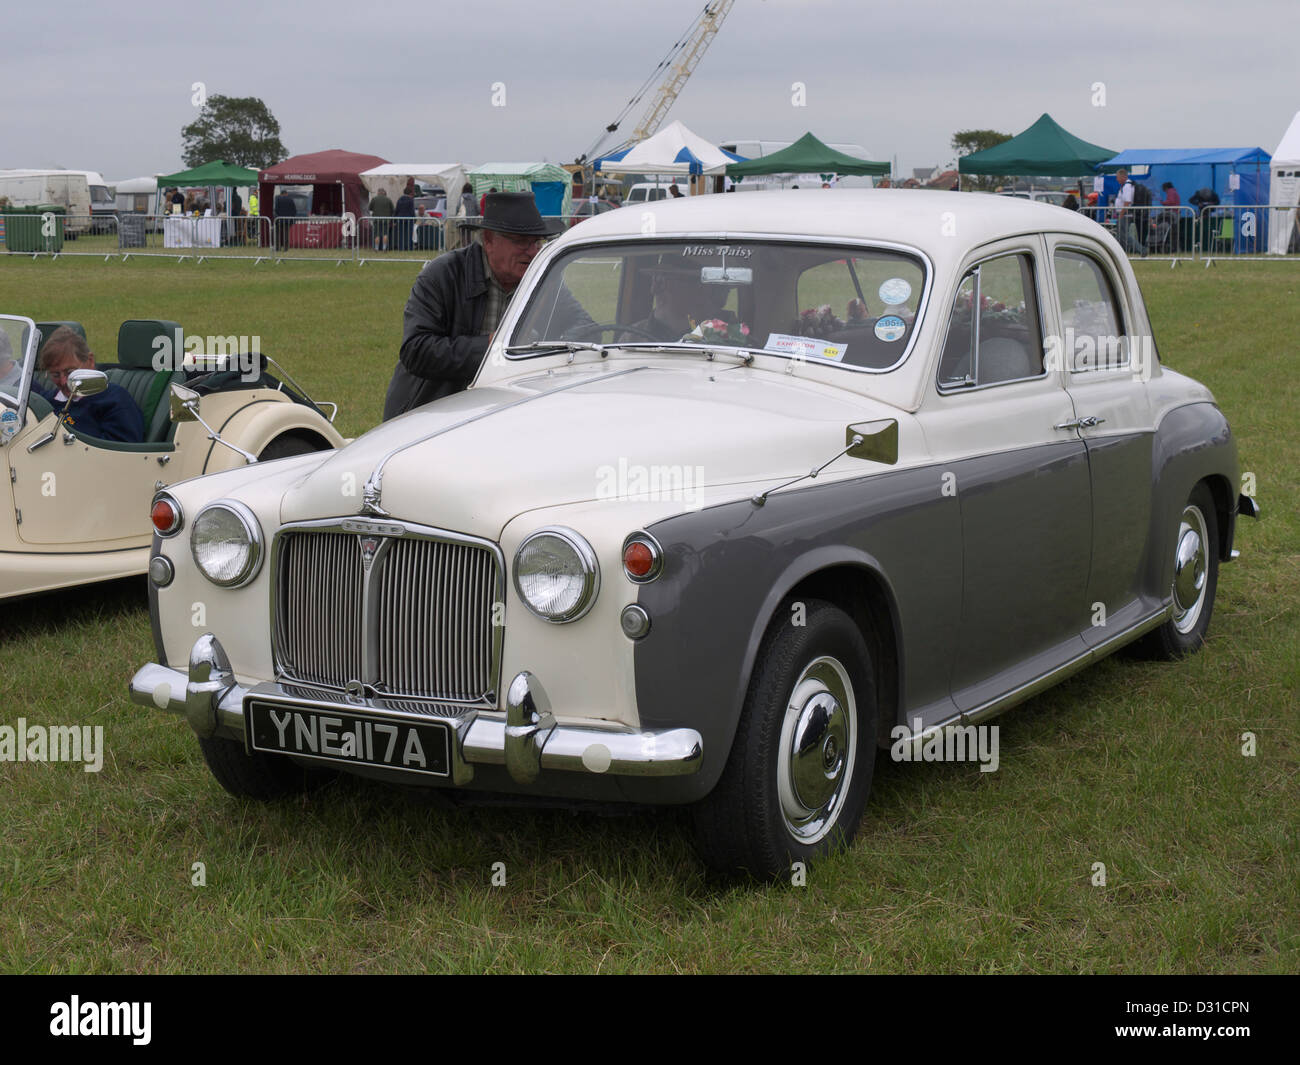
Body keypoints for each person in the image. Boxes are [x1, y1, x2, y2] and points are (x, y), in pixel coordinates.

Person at [382, 192, 587, 419]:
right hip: (431, 413)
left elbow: (585, 328)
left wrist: (549, 348)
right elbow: (416, 350)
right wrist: (494, 346)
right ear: (488, 240)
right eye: (520, 241)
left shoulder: (542, 281)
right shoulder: (442, 275)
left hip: (505, 413)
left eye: (537, 242)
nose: (532, 252)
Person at [35, 328, 143, 443]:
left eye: (70, 373)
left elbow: (123, 451)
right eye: (55, 375)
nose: (63, 381)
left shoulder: (114, 400)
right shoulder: (44, 403)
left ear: (90, 361)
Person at [369, 186, 394, 251]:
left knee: (377, 234)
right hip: (386, 220)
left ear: (378, 192)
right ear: (384, 192)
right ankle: (384, 247)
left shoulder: (374, 199)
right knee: (385, 234)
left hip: (376, 219)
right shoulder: (388, 199)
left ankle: (376, 248)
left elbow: (370, 208)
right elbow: (393, 209)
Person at [394, 185, 415, 252]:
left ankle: (401, 248)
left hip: (400, 219)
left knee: (400, 234)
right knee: (408, 234)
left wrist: (394, 219)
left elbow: (396, 210)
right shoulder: (410, 200)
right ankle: (408, 247)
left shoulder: (399, 199)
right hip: (409, 219)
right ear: (410, 193)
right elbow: (412, 211)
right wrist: (414, 219)